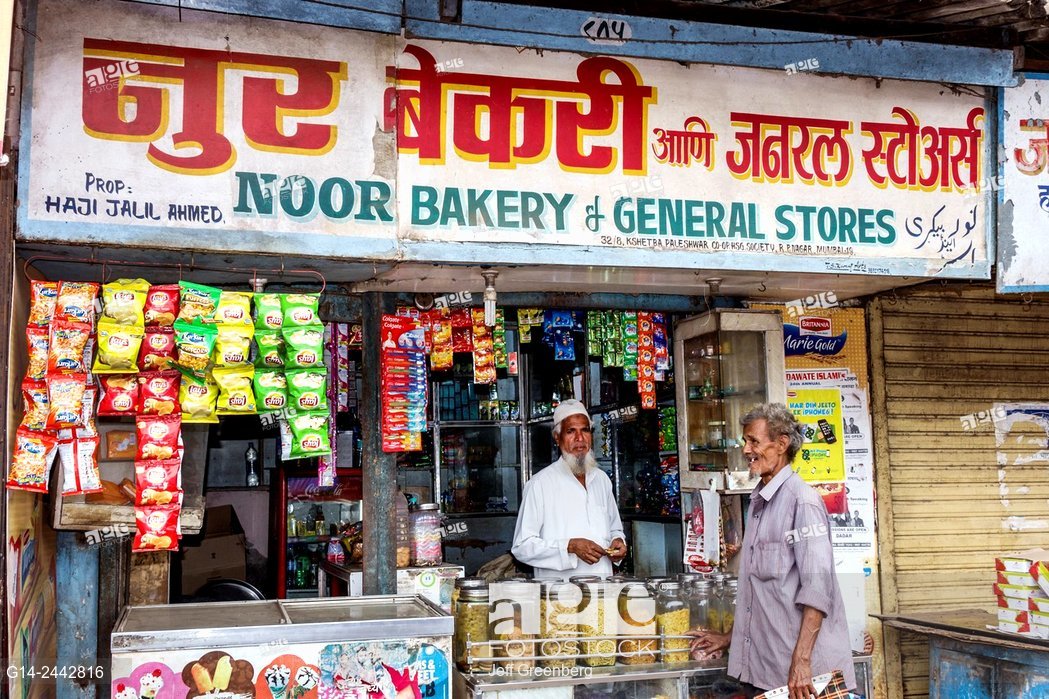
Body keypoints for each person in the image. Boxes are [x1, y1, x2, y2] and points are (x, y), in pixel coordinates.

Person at [688, 403, 855, 699]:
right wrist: (729, 638)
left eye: (754, 441)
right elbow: (762, 594)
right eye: (745, 442)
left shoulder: (802, 502)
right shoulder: (760, 503)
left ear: (781, 444)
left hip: (801, 678)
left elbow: (817, 591)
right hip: (765, 669)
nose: (747, 450)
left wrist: (802, 663)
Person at [511, 399, 627, 579]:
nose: (579, 439)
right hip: (560, 596)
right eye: (571, 431)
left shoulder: (602, 480)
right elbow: (522, 547)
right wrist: (569, 546)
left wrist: (617, 541)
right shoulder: (540, 484)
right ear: (557, 438)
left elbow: (615, 529)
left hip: (602, 591)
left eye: (585, 430)